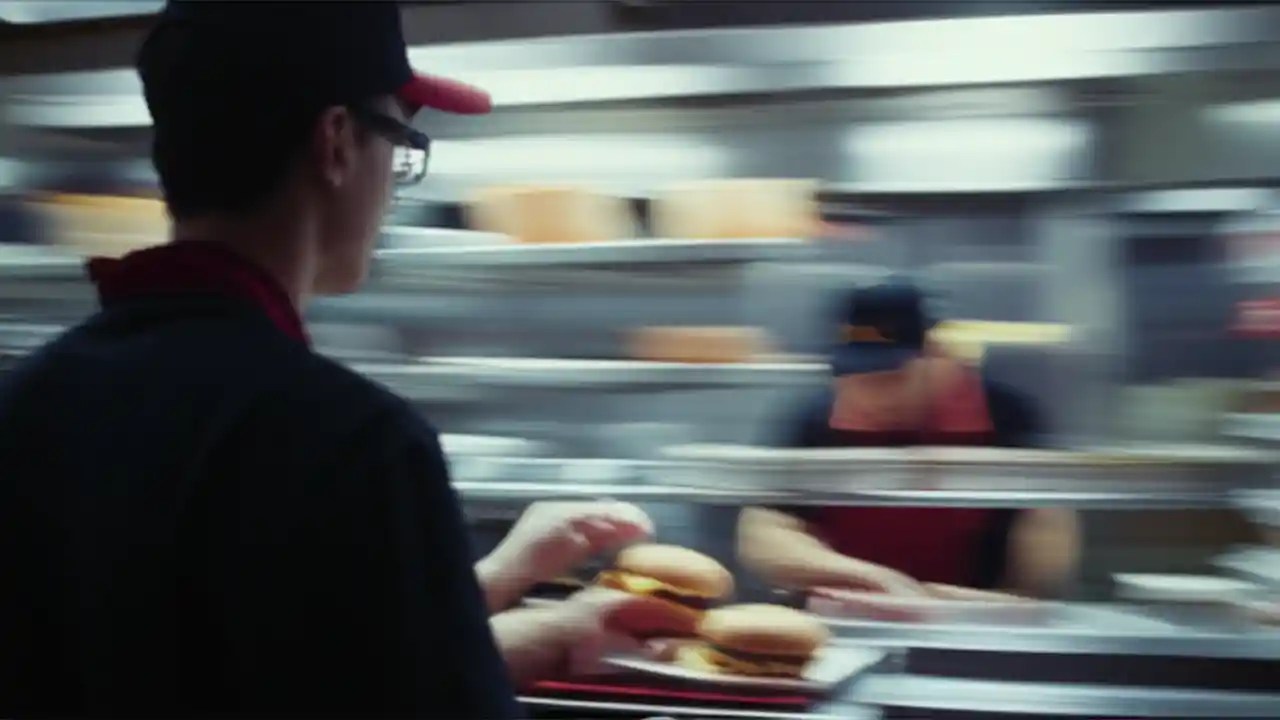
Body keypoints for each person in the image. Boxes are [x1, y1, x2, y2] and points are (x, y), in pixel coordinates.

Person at [0, 3, 654, 717]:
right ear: (338, 142)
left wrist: (497, 583)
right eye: (400, 144)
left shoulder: (28, 402)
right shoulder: (358, 444)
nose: (393, 189)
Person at [737, 283, 1080, 599]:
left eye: (890, 378)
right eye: (852, 375)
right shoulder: (812, 420)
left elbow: (1047, 531)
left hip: (976, 621)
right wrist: (875, 581)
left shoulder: (1006, 415)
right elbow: (764, 535)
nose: (869, 396)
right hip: (852, 613)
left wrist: (997, 606)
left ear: (938, 357)